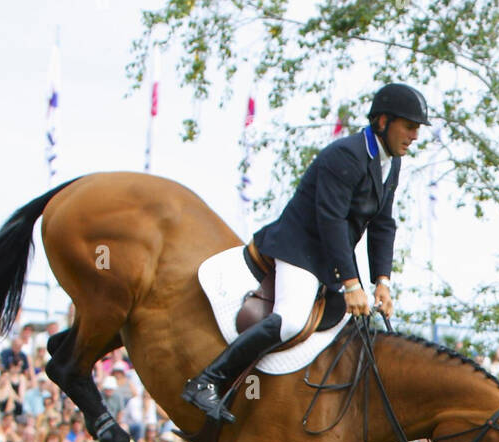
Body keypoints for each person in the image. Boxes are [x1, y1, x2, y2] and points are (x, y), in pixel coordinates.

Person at [181, 81, 429, 423]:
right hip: (299, 249)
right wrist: (353, 284)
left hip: (328, 257)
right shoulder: (346, 155)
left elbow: (383, 223)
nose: (415, 135)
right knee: (291, 320)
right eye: (411, 126)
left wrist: (382, 281)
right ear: (383, 122)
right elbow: (331, 221)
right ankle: (207, 381)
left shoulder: (391, 162)